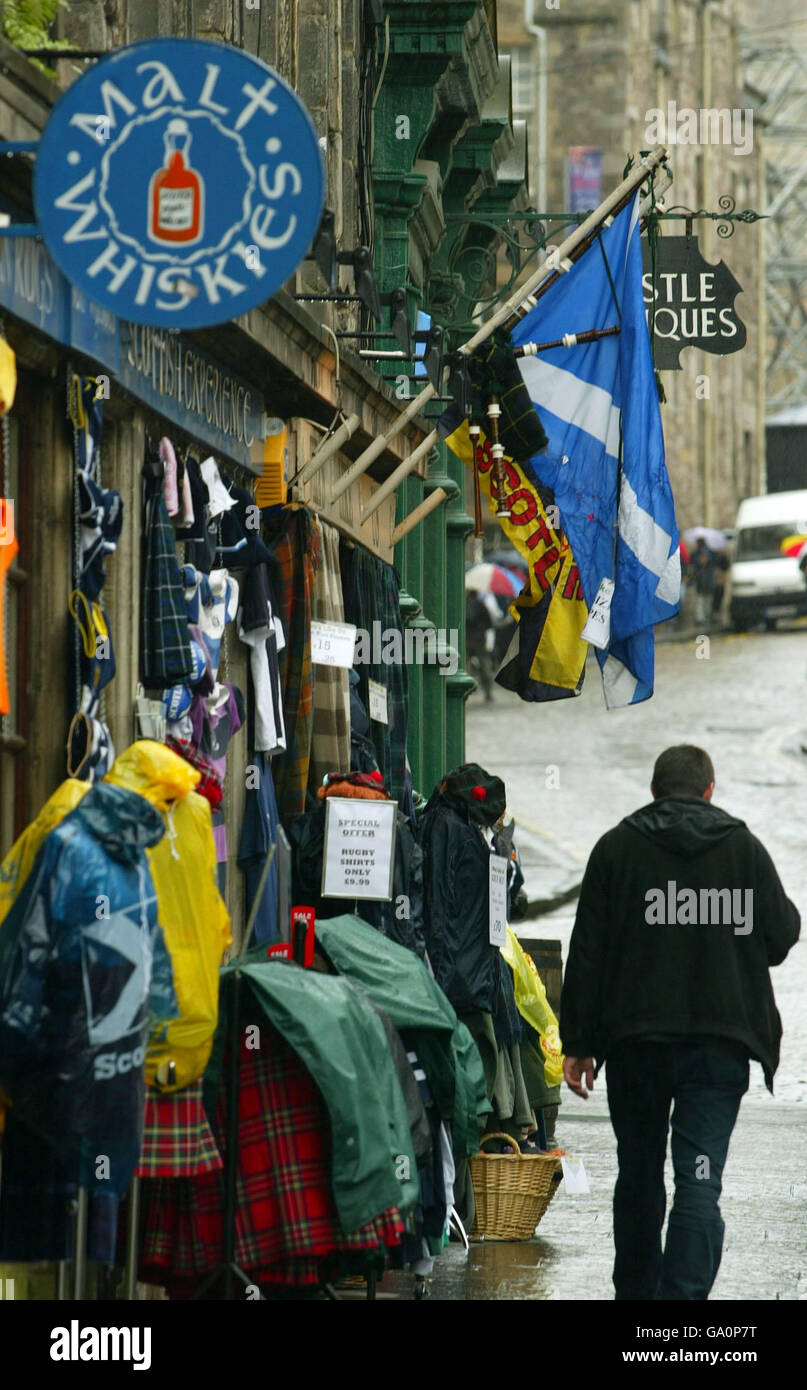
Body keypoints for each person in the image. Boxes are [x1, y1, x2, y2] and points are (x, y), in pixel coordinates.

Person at [560, 745, 800, 1301]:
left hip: (636, 1045)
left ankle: (636, 1296)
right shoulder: (742, 849)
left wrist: (578, 1043)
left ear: (654, 791)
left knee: (639, 1173)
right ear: (710, 790)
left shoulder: (616, 848)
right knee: (699, 1181)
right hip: (719, 1047)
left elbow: (588, 953)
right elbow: (782, 934)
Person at [692, 538, 716, 627]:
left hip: (706, 579)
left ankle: (704, 617)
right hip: (703, 579)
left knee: (705, 599)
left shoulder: (709, 553)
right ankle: (702, 617)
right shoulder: (697, 553)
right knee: (703, 599)